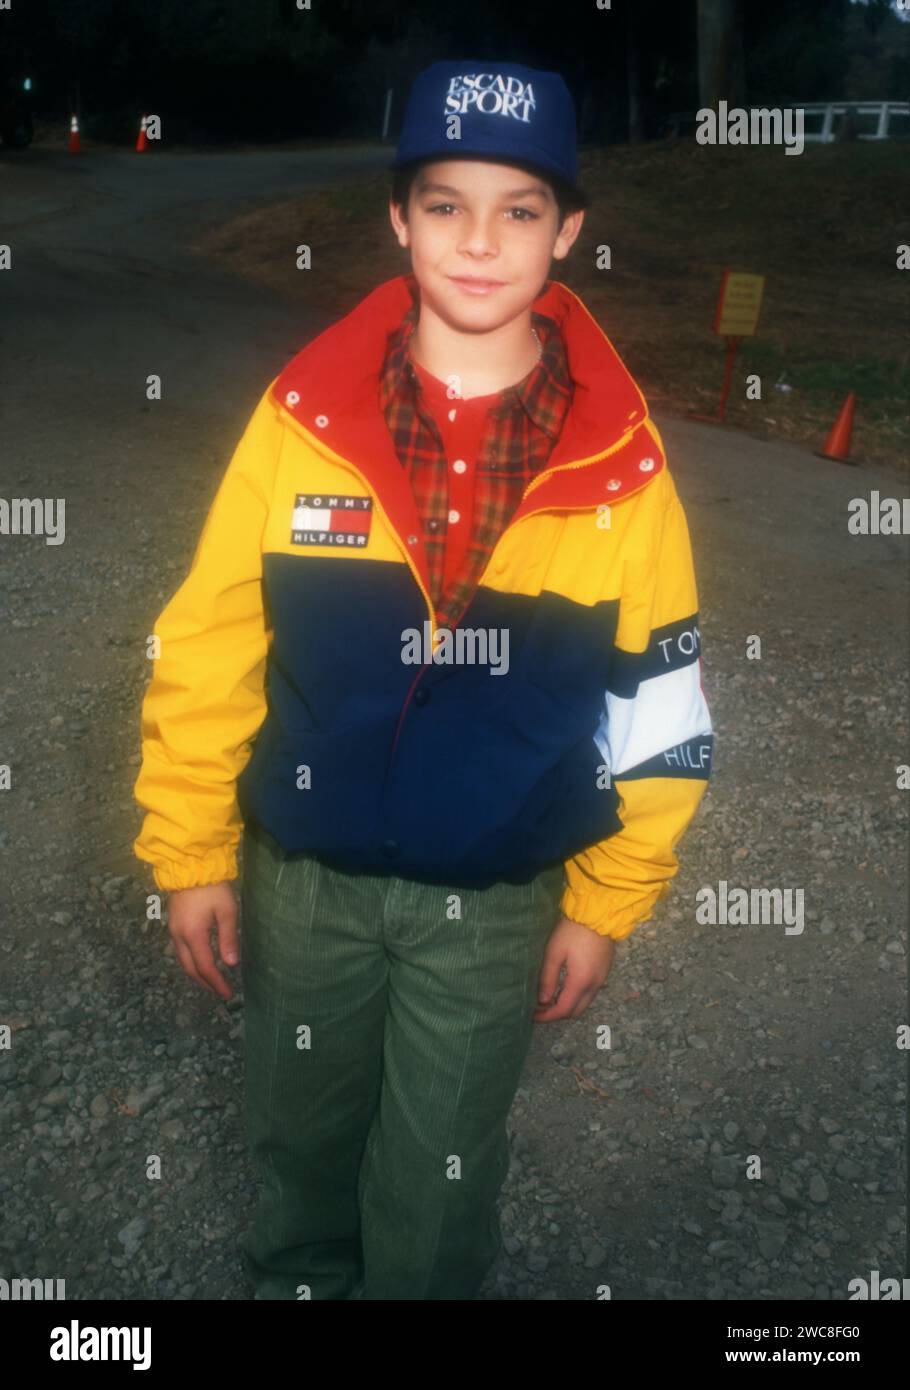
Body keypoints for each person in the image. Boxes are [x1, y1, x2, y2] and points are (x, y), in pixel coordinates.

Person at [132, 58, 714, 1301]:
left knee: (439, 1173)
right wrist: (188, 851)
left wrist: (605, 899)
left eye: (518, 210)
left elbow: (656, 703)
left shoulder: (622, 464)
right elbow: (210, 640)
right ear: (397, 219)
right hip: (305, 884)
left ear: (567, 233)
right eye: (446, 204)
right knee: (300, 1138)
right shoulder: (300, 421)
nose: (480, 241)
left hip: (494, 897)